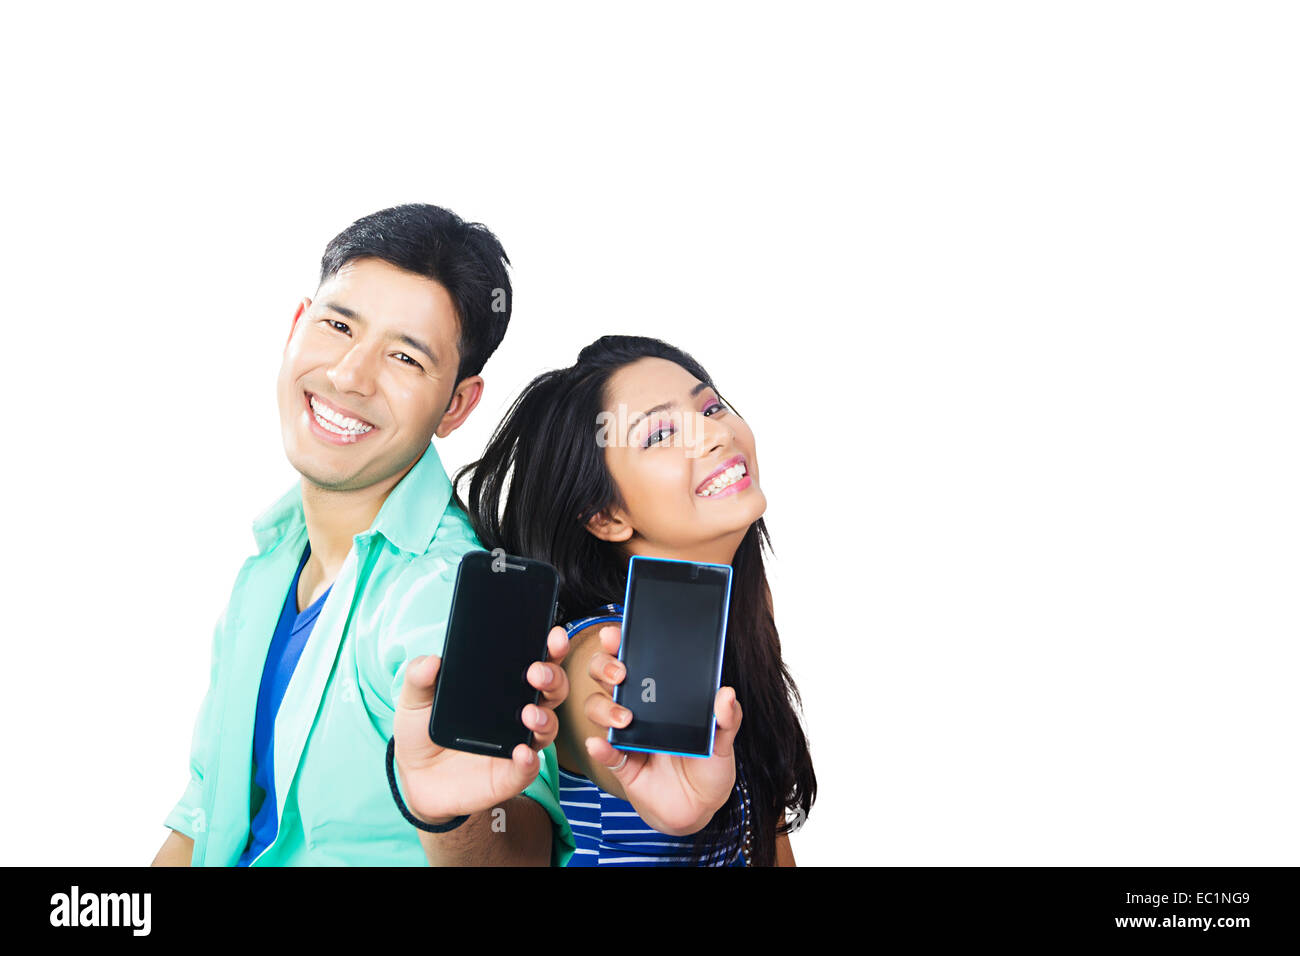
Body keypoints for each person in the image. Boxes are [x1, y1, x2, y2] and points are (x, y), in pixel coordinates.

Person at [152, 204, 575, 867]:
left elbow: (517, 848)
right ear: (297, 326)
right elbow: (202, 819)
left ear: (455, 406)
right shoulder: (271, 564)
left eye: (405, 357)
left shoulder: (440, 595)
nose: (350, 375)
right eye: (337, 325)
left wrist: (450, 811)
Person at [454, 335, 816, 866]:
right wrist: (652, 754)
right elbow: (603, 707)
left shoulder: (744, 614)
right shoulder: (601, 649)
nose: (715, 433)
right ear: (606, 517)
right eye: (662, 433)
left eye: (710, 406)